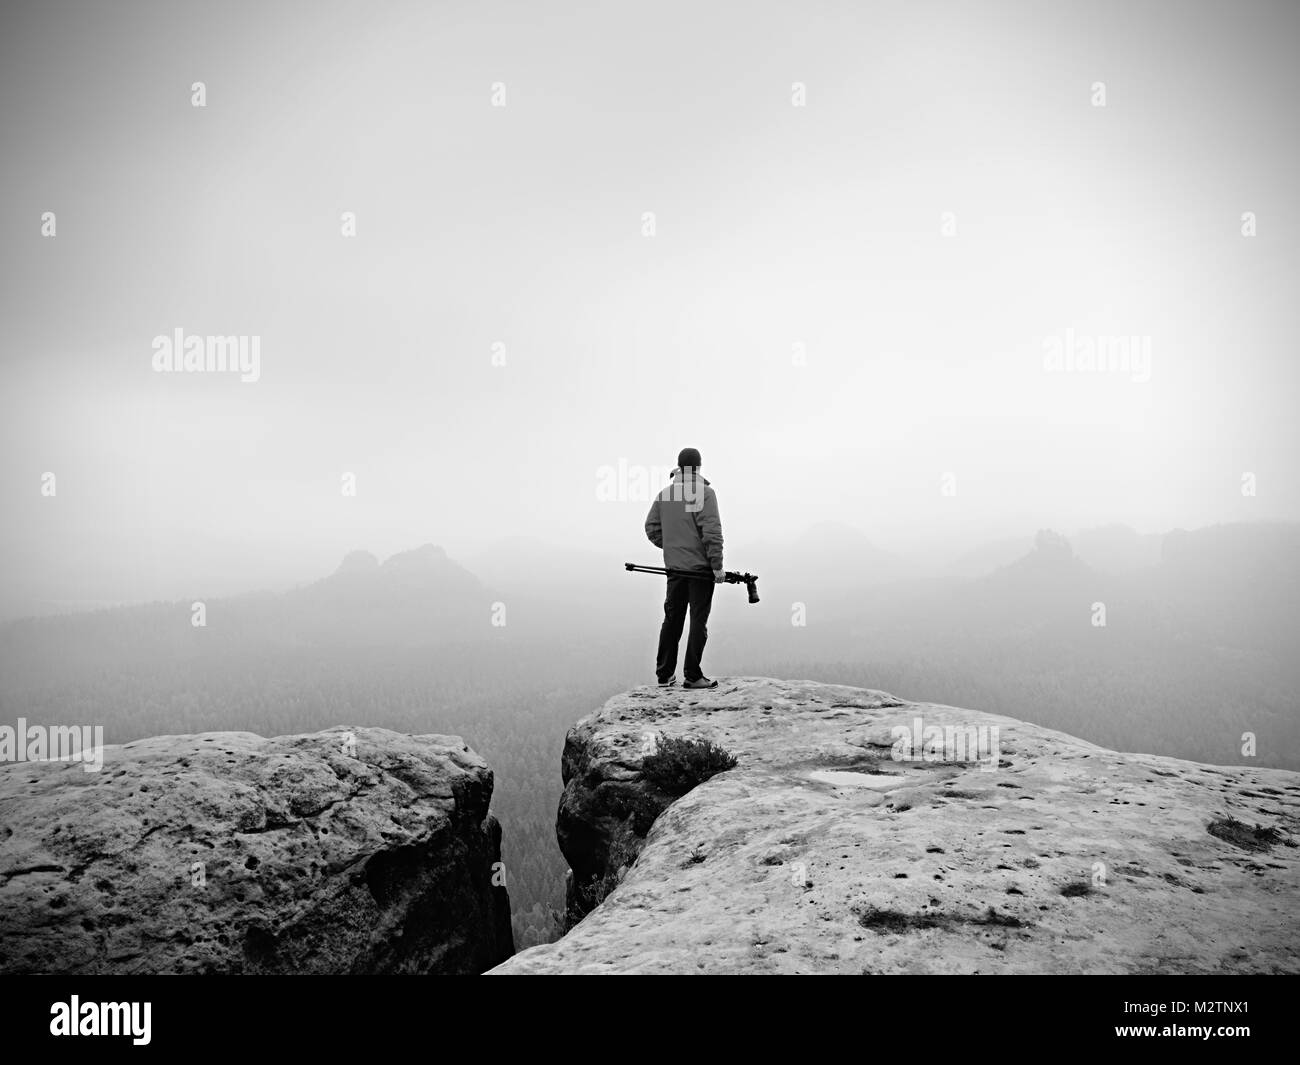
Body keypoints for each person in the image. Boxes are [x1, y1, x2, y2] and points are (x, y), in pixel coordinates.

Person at [644, 447, 723, 689]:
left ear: (679, 467)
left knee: (672, 620)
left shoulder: (665, 495)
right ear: (698, 467)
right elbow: (712, 533)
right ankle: (693, 675)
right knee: (698, 622)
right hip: (700, 570)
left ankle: (665, 675)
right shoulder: (704, 493)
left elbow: (652, 528)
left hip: (675, 569)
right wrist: (717, 566)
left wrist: (673, 548)